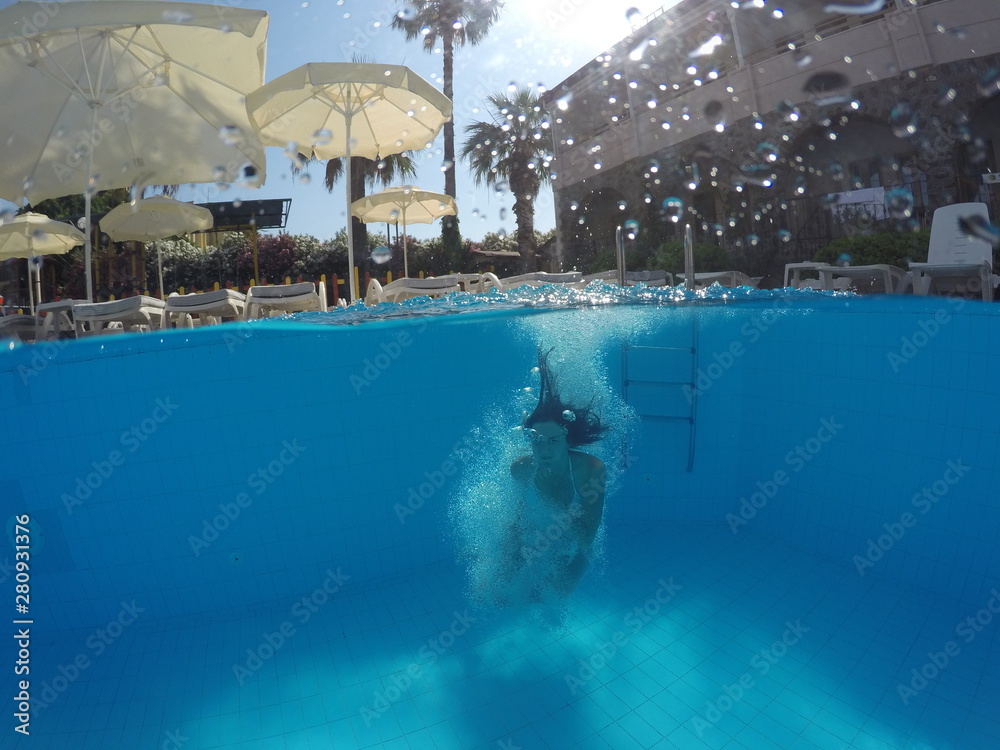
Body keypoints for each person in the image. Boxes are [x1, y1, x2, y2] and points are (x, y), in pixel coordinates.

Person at [506, 348, 607, 599]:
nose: (543, 449)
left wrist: (558, 499)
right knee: (501, 590)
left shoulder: (590, 471)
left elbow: (585, 540)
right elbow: (518, 520)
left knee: (552, 597)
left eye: (552, 441)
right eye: (537, 441)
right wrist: (509, 559)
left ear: (567, 441)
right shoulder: (521, 469)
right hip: (538, 533)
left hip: (575, 543)